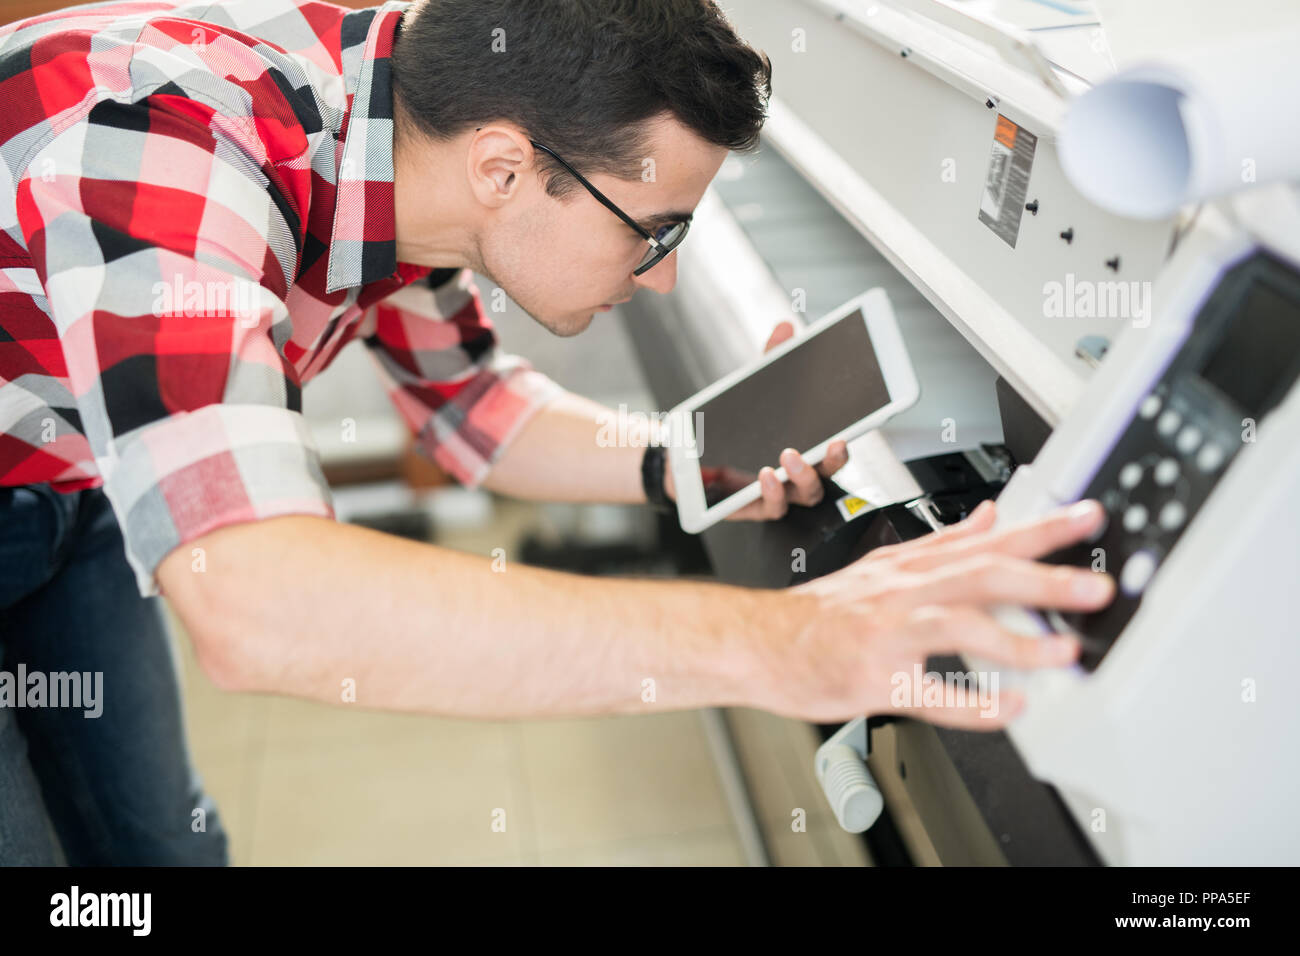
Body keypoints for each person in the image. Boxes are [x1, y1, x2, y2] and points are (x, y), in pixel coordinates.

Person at [0, 0, 1114, 865]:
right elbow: (255, 601)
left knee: (156, 851)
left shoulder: (405, 129)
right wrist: (782, 642)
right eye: (654, 230)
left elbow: (470, 407)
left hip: (72, 481)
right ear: (504, 168)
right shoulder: (161, 144)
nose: (663, 274)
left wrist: (685, 457)